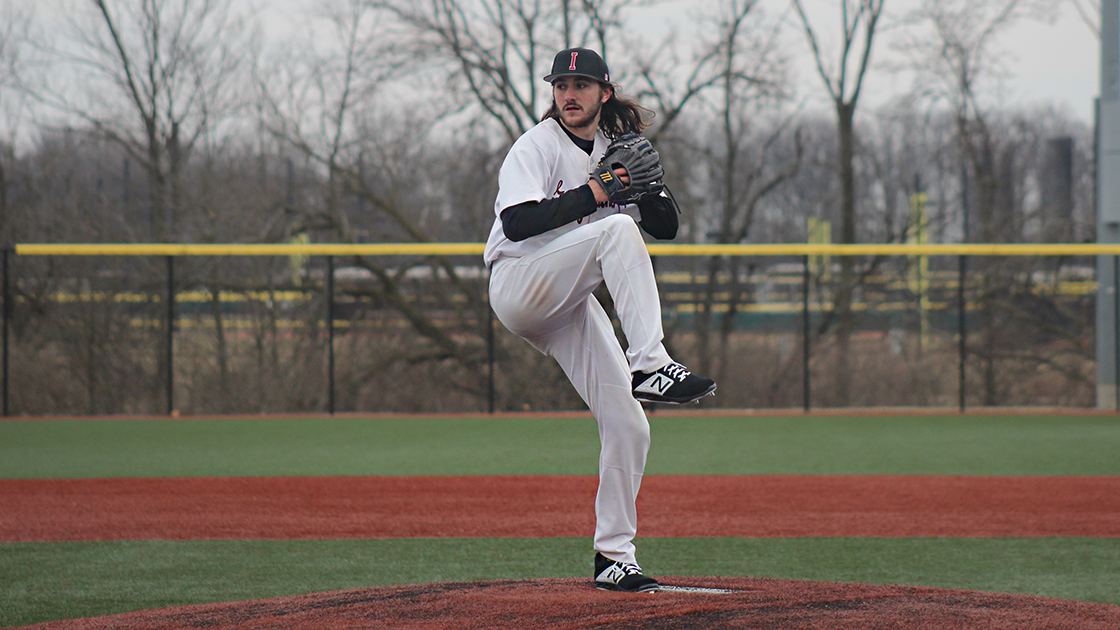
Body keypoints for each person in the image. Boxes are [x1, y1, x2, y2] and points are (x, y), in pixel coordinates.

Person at [483, 47, 716, 593]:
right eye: (561, 85)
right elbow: (517, 224)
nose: (568, 94)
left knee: (630, 424)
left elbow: (666, 226)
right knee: (614, 231)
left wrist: (648, 185)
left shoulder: (617, 153)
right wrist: (600, 190)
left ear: (603, 93)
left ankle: (614, 557)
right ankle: (652, 363)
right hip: (519, 284)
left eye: (581, 85)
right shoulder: (536, 145)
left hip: (567, 301)